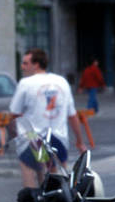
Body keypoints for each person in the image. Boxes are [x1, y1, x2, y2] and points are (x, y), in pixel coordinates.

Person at [8, 48, 87, 189]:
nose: (22, 67)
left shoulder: (26, 83)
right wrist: (80, 142)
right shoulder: (62, 82)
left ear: (36, 64)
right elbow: (72, 115)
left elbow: (14, 114)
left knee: (30, 173)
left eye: (25, 63)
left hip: (34, 139)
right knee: (57, 179)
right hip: (58, 138)